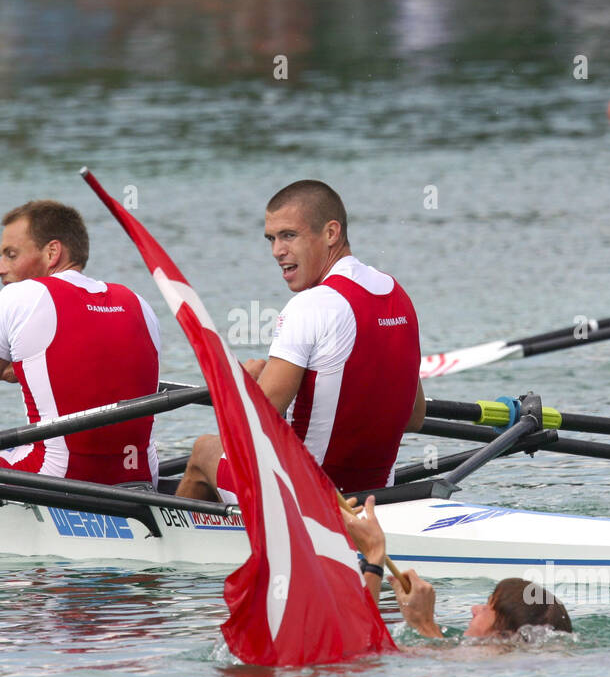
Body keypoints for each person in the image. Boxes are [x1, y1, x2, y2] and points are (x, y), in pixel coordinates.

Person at [176, 179, 426, 502]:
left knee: (204, 451)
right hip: (377, 499)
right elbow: (414, 417)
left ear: (331, 233)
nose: (277, 251)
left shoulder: (311, 305)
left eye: (289, 236)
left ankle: (172, 546)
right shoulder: (397, 294)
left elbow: (251, 428)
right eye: (271, 239)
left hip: (307, 504)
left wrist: (246, 385)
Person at [0, 200, 162, 485]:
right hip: (142, 477)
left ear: (52, 252)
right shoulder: (138, 302)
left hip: (59, 480)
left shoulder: (20, 296)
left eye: (11, 255)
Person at [342, 496, 573, 640]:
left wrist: (374, 555)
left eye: (487, 608)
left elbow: (362, 652)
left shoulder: (453, 669)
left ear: (505, 637)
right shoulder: (463, 664)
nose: (474, 608)